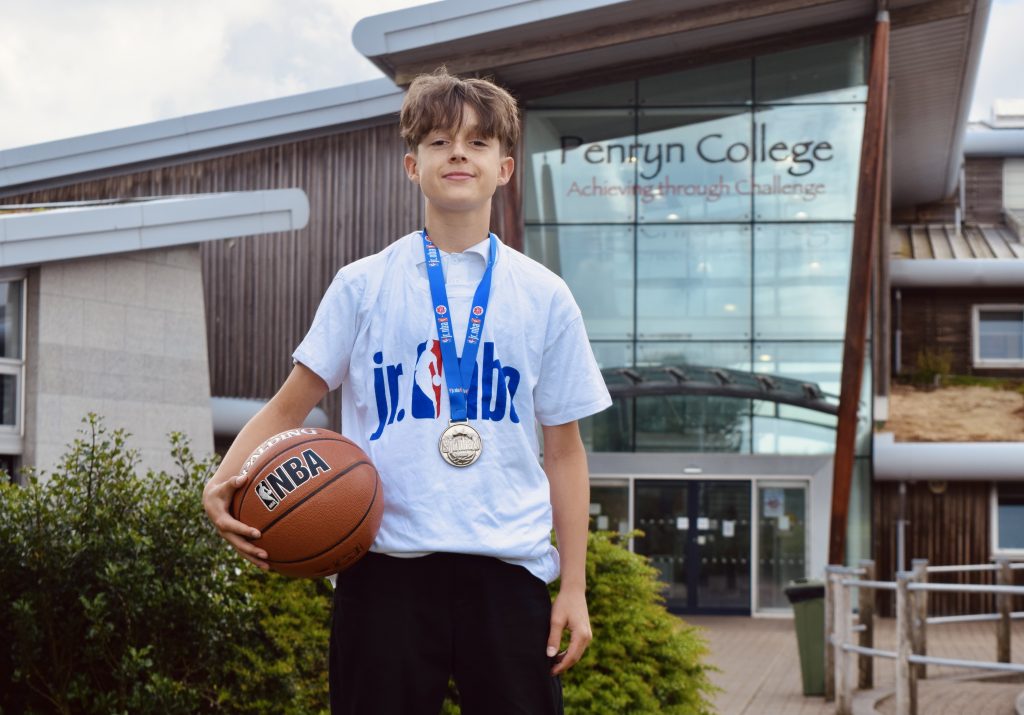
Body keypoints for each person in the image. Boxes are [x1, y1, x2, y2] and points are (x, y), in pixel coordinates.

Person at [202, 67, 611, 715]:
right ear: (411, 166)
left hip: (509, 572)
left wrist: (575, 588)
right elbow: (288, 406)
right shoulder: (362, 285)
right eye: (439, 141)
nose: (457, 153)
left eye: (478, 143)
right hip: (383, 566)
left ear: (505, 169)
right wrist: (222, 479)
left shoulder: (544, 296)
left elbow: (564, 451)